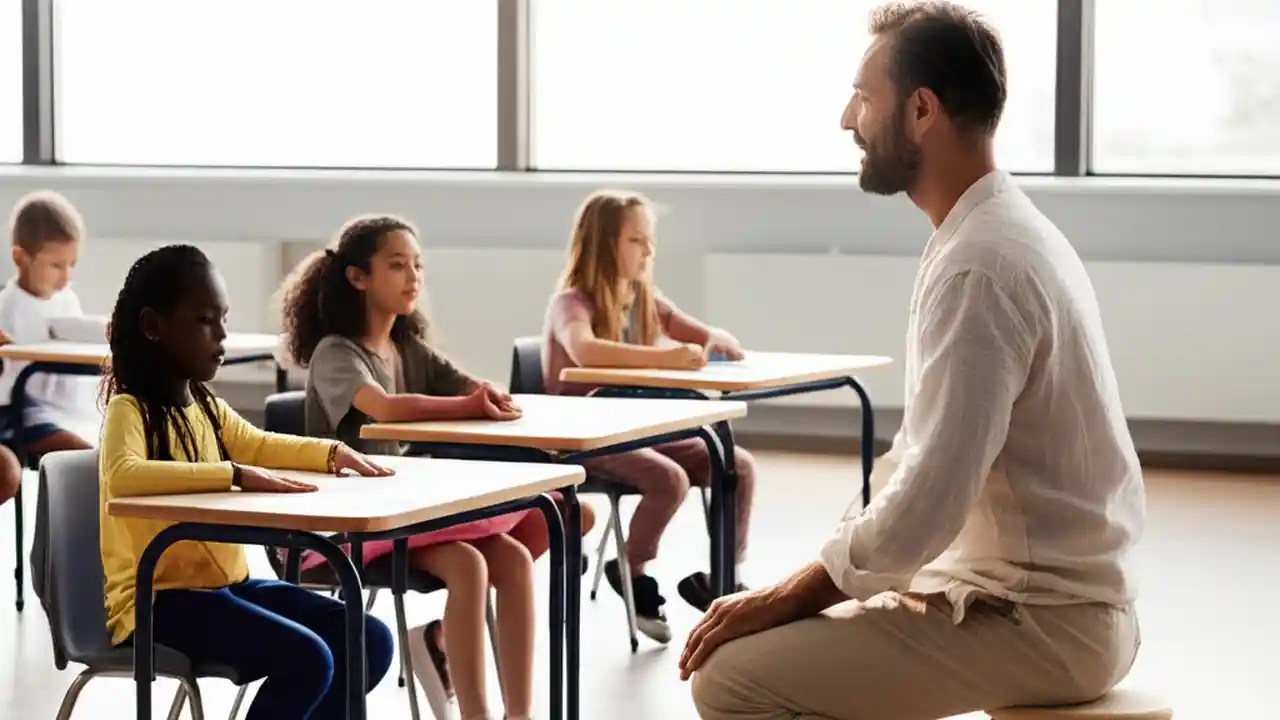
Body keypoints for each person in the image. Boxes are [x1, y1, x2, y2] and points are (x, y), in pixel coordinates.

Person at [683, 3, 1146, 718]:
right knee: (801, 629)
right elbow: (917, 460)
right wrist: (820, 574)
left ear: (922, 109)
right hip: (1050, 604)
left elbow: (930, 498)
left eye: (865, 98)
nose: (847, 119)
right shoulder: (990, 231)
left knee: (731, 677)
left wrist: (792, 595)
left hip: (1047, 622)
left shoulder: (980, 266)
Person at [279, 214, 589, 720]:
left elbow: (468, 387)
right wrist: (469, 407)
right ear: (357, 278)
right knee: (469, 564)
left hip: (405, 510)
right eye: (396, 265)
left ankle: (517, 712)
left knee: (513, 555)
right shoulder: (335, 352)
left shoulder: (404, 347)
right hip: (345, 525)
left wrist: (488, 397)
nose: (413, 277)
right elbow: (382, 407)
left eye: (417, 265)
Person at [99, 244, 395, 719]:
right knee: (306, 658)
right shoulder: (129, 410)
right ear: (154, 327)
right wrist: (232, 475)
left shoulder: (206, 408)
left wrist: (333, 452)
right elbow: (123, 475)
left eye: (223, 319)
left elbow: (259, 444)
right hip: (158, 603)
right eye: (204, 320)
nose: (221, 335)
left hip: (225, 588)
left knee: (368, 638)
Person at [543, 189, 757, 643]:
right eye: (637, 240)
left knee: (737, 464)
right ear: (606, 245)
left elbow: (701, 334)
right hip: (587, 436)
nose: (649, 250)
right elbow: (584, 350)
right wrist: (665, 359)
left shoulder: (645, 300)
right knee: (669, 480)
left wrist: (715, 340)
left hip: (640, 431)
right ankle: (632, 570)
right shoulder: (572, 302)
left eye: (649, 239)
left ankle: (723, 576)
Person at [0, 190, 103, 458]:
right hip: (29, 414)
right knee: (88, 456)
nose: (66, 276)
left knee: (120, 445)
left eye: (72, 264)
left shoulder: (67, 300)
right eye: (56, 266)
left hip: (74, 406)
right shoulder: (7, 308)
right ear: (20, 258)